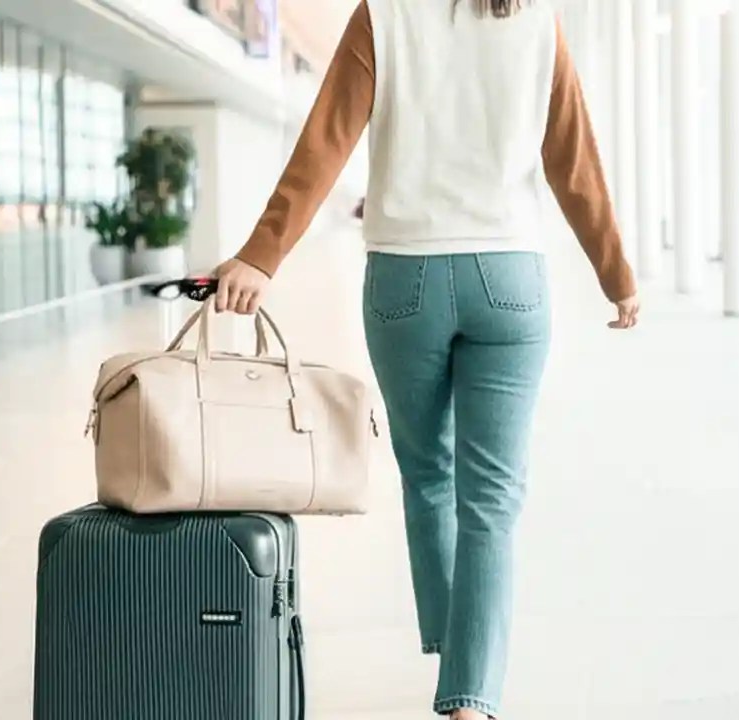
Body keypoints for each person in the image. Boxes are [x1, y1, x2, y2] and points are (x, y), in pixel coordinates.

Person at [212, 0, 637, 717]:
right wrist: (616, 275)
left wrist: (263, 254)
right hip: (509, 279)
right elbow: (574, 162)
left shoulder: (385, 14)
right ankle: (471, 691)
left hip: (405, 278)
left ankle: (452, 645)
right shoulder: (537, 20)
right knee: (493, 501)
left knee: (427, 472)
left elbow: (326, 141)